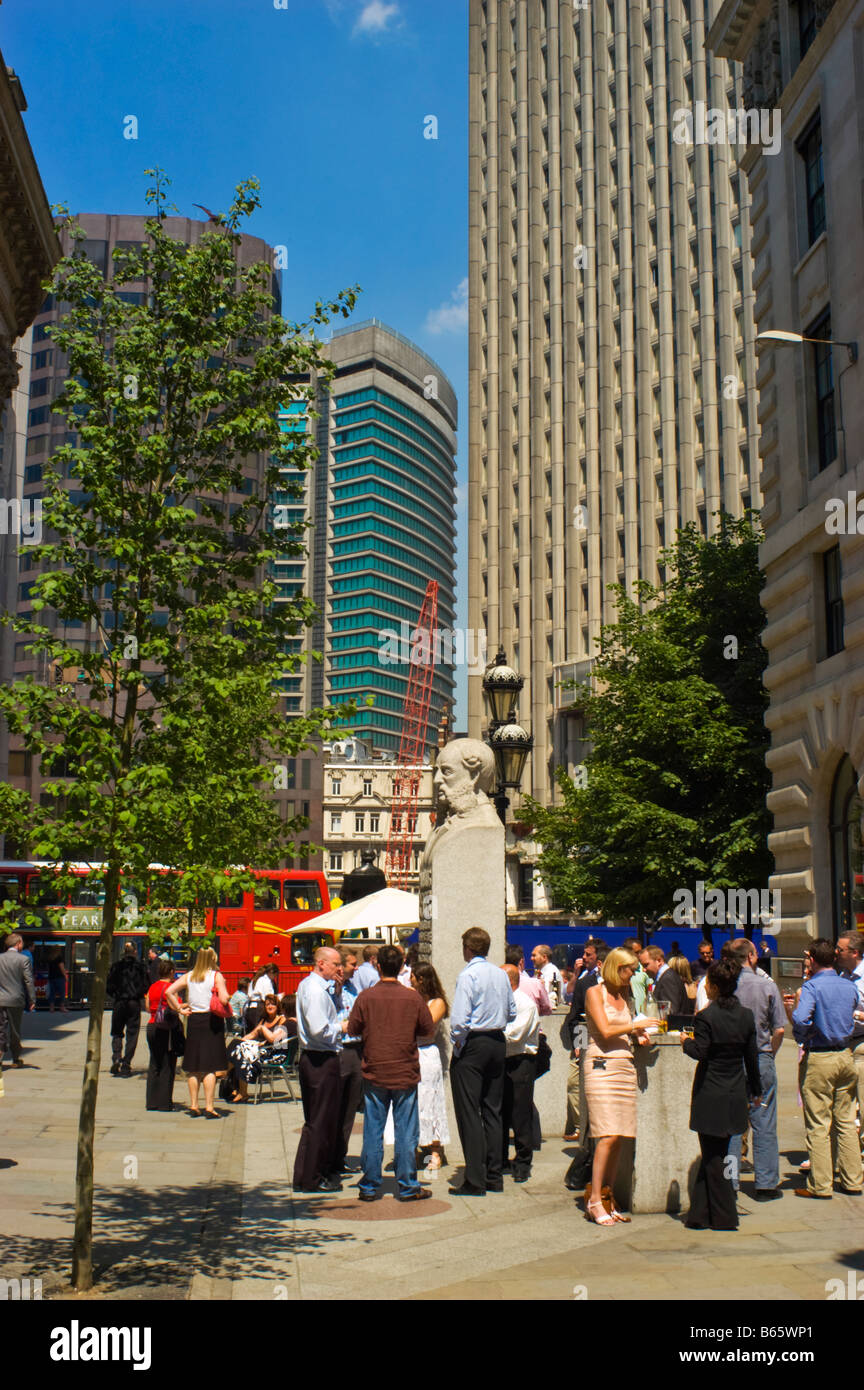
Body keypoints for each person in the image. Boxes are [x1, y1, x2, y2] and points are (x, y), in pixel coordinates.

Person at [347, 944, 435, 1202]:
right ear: (401, 966)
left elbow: (352, 1028)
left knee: (373, 1130)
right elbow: (427, 1029)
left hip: (375, 1070)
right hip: (404, 1069)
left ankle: (370, 1185)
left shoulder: (365, 997)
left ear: (377, 965)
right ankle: (407, 1184)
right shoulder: (412, 997)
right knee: (406, 1130)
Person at [682, 958, 762, 1230]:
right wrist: (756, 1089)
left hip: (711, 1091)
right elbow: (751, 1056)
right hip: (735, 1089)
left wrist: (686, 1042)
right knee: (716, 1154)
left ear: (713, 986)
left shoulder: (706, 1016)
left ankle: (725, 1215)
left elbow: (700, 1052)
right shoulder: (746, 1016)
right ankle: (699, 1215)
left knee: (714, 1157)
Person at [783, 938, 863, 1199]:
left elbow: (800, 1018)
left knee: (819, 1123)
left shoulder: (813, 987)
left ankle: (821, 1184)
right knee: (846, 1121)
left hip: (820, 1055)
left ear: (813, 960)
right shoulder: (848, 986)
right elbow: (853, 1011)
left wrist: (805, 1034)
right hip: (845, 1053)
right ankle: (852, 1180)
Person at [583, 948, 651, 1225]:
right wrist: (634, 1027)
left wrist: (640, 1035)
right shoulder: (594, 992)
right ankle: (594, 1198)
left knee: (620, 1135)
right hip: (602, 1065)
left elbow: (625, 1029)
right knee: (606, 1134)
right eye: (629, 969)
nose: (633, 974)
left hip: (624, 1065)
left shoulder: (625, 995)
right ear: (615, 967)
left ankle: (608, 1195)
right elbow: (605, 1029)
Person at [448, 927, 517, 1197]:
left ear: (468, 948)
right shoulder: (500, 974)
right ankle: (494, 1175)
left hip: (474, 1043)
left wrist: (458, 1041)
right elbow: (511, 1011)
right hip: (497, 1041)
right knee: (493, 1110)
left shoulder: (468, 975)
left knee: (469, 1111)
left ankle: (474, 1178)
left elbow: (459, 1019)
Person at [725, 938, 785, 1200]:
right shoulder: (767, 986)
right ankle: (766, 1183)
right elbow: (780, 1028)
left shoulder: (726, 987)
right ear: (750, 956)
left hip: (732, 1059)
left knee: (732, 1124)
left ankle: (730, 1183)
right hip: (760, 1055)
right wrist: (770, 1053)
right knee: (764, 1121)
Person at [293, 946, 344, 1193]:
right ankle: (312, 1177)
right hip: (320, 1059)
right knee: (320, 1121)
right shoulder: (313, 990)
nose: (339, 968)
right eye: (335, 964)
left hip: (317, 1058)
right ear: (321, 964)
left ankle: (306, 1175)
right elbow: (318, 1028)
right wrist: (341, 1028)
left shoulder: (312, 986)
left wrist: (337, 991)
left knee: (316, 1120)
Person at [165, 946, 231, 1118]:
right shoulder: (217, 976)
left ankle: (194, 1105)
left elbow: (169, 991)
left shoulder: (190, 975)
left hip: (194, 1020)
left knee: (194, 1066)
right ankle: (209, 1106)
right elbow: (223, 999)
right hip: (212, 1021)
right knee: (210, 1066)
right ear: (212, 959)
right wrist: (226, 996)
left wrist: (179, 1008)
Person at [563, 943, 610, 1143]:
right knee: (575, 1084)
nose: (584, 957)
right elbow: (577, 1017)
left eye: (587, 954)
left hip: (611, 1046)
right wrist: (579, 1045)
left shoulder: (623, 984)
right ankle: (581, 1126)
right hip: (586, 1043)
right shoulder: (585, 983)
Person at [501, 964, 540, 1182]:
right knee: (501, 1112)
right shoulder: (500, 1002)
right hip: (503, 1062)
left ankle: (523, 1162)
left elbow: (514, 1036)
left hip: (521, 1062)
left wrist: (492, 1034)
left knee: (520, 1113)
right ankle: (500, 1158)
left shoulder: (525, 1003)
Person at [334, 945, 364, 1174]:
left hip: (356, 1049)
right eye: (353, 964)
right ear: (341, 966)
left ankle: (340, 1154)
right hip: (338, 1050)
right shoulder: (330, 990)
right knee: (335, 1106)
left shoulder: (354, 986)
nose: (357, 967)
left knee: (349, 1108)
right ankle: (330, 1155)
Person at [227, 994, 289, 1102]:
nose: (270, 1006)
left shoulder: (281, 1020)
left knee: (242, 1055)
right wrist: (240, 1041)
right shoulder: (263, 1020)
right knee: (238, 1046)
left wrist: (262, 1031)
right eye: (267, 1004)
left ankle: (229, 1078)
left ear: (277, 1006)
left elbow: (274, 1039)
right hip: (259, 1049)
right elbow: (252, 1034)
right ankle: (241, 1091)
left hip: (272, 1052)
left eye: (273, 1004)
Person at [835, 931, 864, 1154]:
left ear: (854, 952)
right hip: (844, 1045)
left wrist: (852, 1014)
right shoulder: (842, 976)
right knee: (844, 1104)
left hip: (862, 1045)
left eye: (840, 949)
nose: (836, 953)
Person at [145, 961, 184, 1111]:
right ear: (172, 972)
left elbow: (148, 1007)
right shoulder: (170, 988)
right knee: (168, 1064)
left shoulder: (152, 987)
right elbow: (177, 1007)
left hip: (152, 1025)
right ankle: (164, 1103)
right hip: (166, 1028)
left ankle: (151, 1102)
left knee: (154, 1063)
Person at [107, 943, 149, 1076]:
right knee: (132, 1034)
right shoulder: (141, 967)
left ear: (124, 952)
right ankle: (126, 1063)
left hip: (119, 1002)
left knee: (117, 1031)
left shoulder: (116, 966)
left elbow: (109, 986)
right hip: (134, 1003)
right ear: (135, 952)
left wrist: (115, 995)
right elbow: (146, 985)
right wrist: (139, 994)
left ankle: (116, 1055)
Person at [0, 934, 35, 1068]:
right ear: (19, 943)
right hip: (16, 999)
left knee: (0, 1029)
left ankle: (1, 1055)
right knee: (15, 1030)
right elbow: (28, 980)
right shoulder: (23, 959)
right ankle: (16, 1058)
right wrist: (32, 999)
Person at [504, 943, 551, 1016]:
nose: (531, 958)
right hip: (529, 1025)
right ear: (521, 962)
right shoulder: (535, 984)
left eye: (534, 955)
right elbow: (547, 1008)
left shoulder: (496, 983)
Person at [640, 945, 688, 1015]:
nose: (644, 970)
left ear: (659, 961)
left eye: (646, 965)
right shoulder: (664, 977)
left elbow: (671, 1011)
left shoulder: (668, 979)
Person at [46, 948, 69, 1013]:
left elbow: (48, 968)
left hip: (51, 977)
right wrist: (66, 976)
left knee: (52, 993)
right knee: (62, 992)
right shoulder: (59, 958)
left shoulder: (50, 958)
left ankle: (51, 1008)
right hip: (59, 977)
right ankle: (62, 1007)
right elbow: (62, 968)